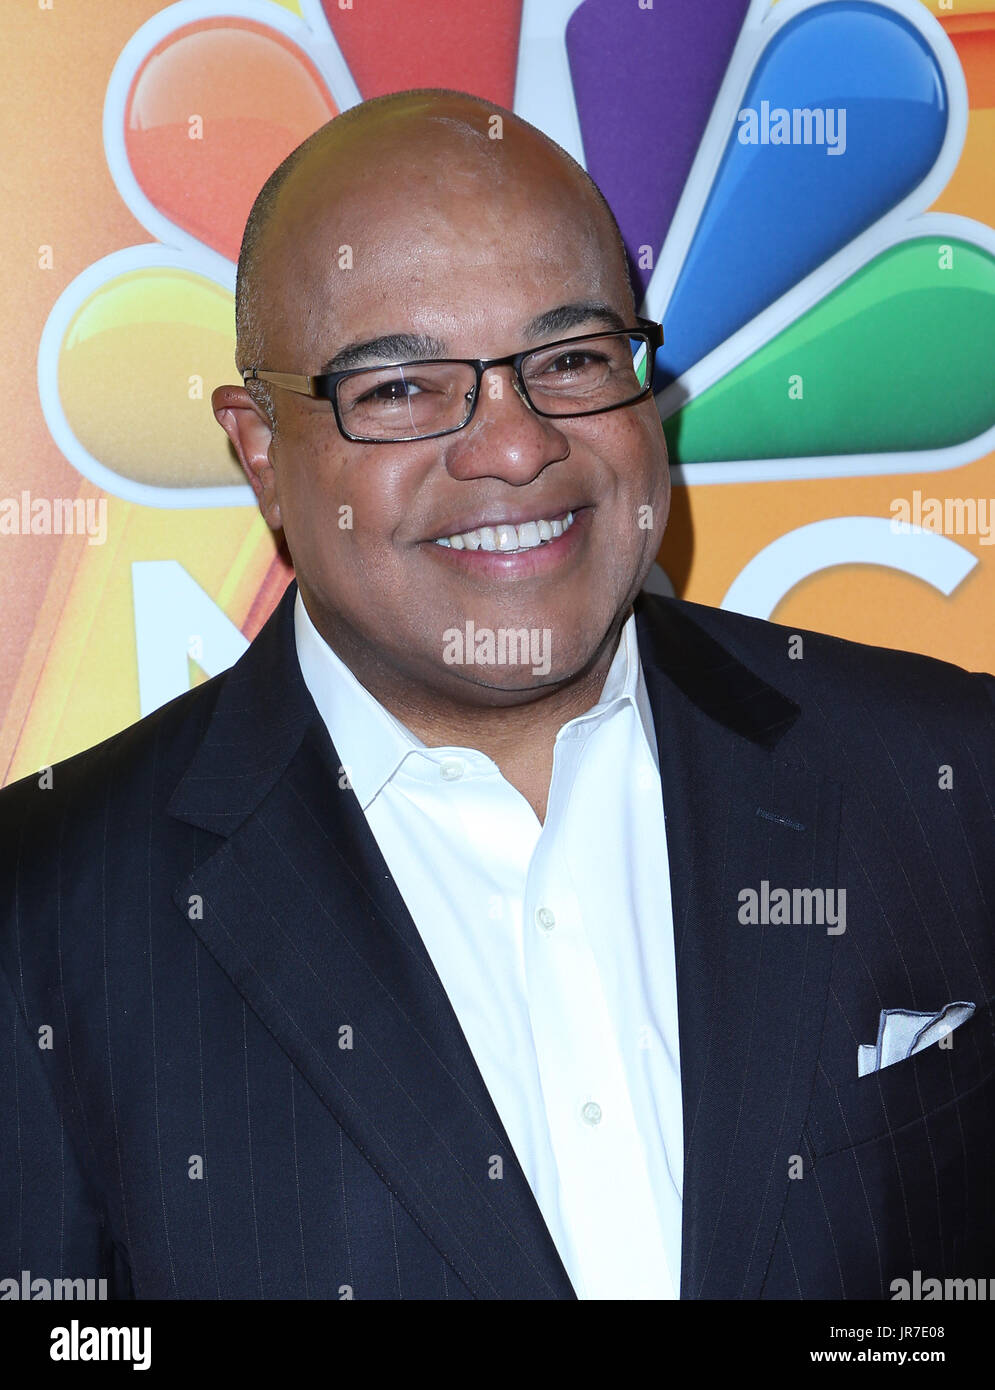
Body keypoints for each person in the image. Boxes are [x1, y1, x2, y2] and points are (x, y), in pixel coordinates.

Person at [1, 89, 992, 1302]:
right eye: (403, 389)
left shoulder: (948, 781)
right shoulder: (43, 922)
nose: (515, 446)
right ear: (260, 448)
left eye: (570, 359)